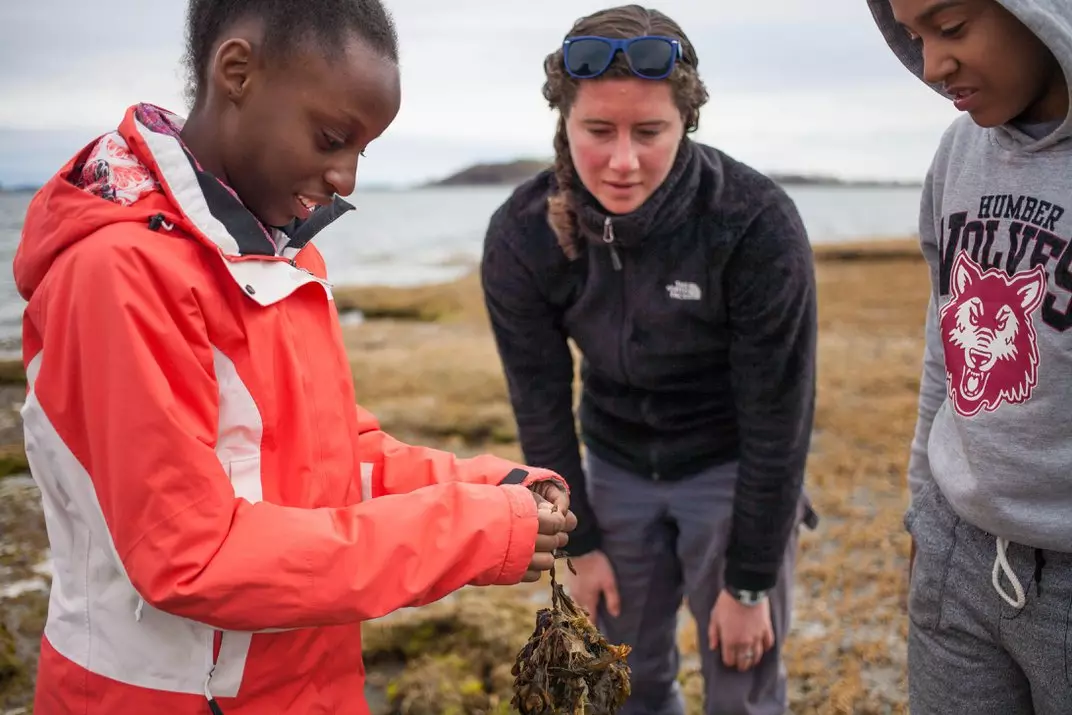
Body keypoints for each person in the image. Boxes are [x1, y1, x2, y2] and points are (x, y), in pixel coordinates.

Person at [12, 1, 578, 713]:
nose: (344, 178)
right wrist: (470, 531)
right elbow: (195, 557)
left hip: (312, 686)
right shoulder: (117, 274)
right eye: (331, 137)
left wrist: (496, 485)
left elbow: (336, 464)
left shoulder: (281, 256)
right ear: (238, 72)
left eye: (360, 151)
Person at [480, 5, 819, 714]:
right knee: (628, 684)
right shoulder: (523, 233)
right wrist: (583, 542)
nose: (622, 161)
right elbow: (538, 399)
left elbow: (779, 418)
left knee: (742, 689)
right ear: (563, 123)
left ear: (687, 122)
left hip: (732, 467)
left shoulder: (754, 222)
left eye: (650, 132)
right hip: (612, 467)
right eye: (597, 131)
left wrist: (750, 583)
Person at [867, 0, 1072, 712]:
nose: (931, 65)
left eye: (950, 28)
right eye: (912, 35)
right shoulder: (958, 153)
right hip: (959, 553)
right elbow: (944, 359)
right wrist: (925, 511)